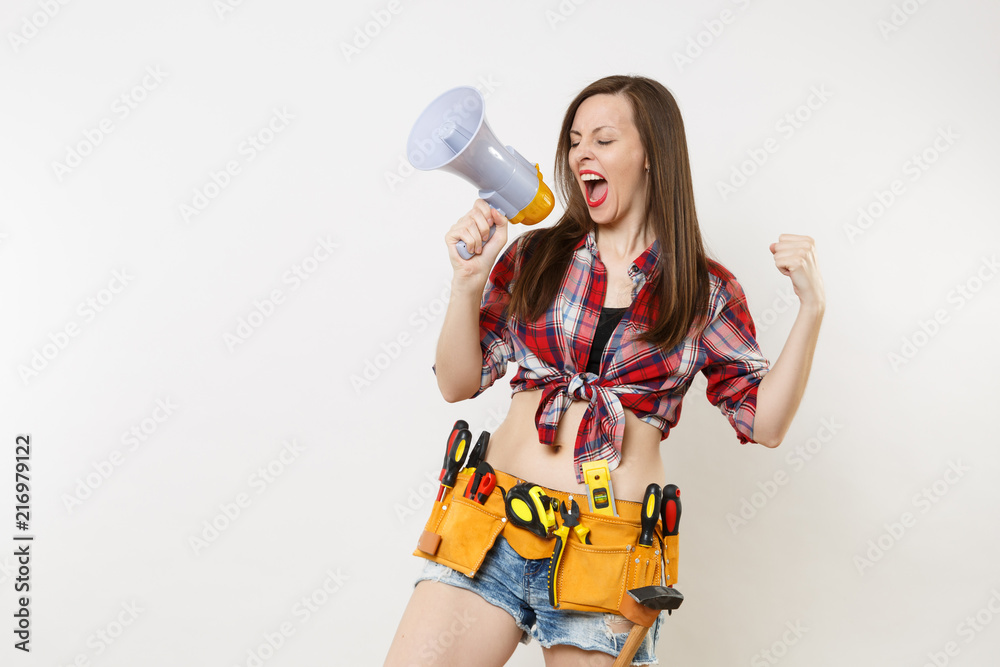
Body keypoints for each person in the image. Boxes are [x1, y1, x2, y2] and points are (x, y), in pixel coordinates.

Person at [384, 74, 825, 666]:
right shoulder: (535, 256)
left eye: (603, 139)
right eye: (574, 141)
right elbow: (456, 382)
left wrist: (812, 308)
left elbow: (763, 423)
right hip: (487, 527)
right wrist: (466, 284)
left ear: (651, 156)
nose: (581, 154)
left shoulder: (705, 290)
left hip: (608, 552)